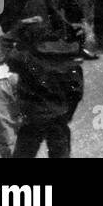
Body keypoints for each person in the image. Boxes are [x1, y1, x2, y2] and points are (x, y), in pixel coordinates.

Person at [7, 16, 85, 158]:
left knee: (24, 152)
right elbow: (76, 93)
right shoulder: (69, 65)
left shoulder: (26, 59)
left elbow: (7, 48)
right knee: (60, 152)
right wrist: (66, 114)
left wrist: (20, 25)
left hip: (33, 116)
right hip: (58, 115)